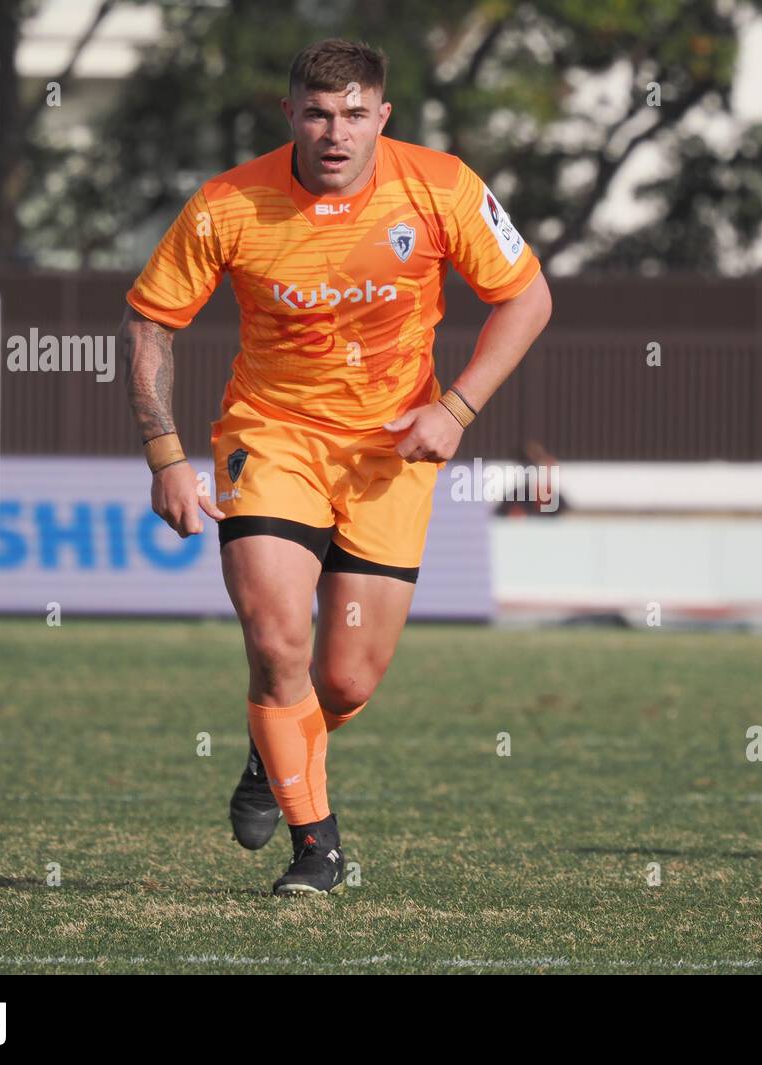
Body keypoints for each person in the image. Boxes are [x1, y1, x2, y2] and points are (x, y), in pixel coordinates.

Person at [118, 39, 552, 895]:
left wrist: (456, 407)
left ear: (383, 117)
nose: (335, 132)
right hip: (269, 437)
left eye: (355, 114)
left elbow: (527, 296)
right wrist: (164, 452)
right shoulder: (227, 204)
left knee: (345, 676)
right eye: (318, 113)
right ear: (291, 116)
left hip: (392, 450)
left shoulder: (443, 186)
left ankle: (269, 743)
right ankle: (318, 851)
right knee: (277, 638)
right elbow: (148, 325)